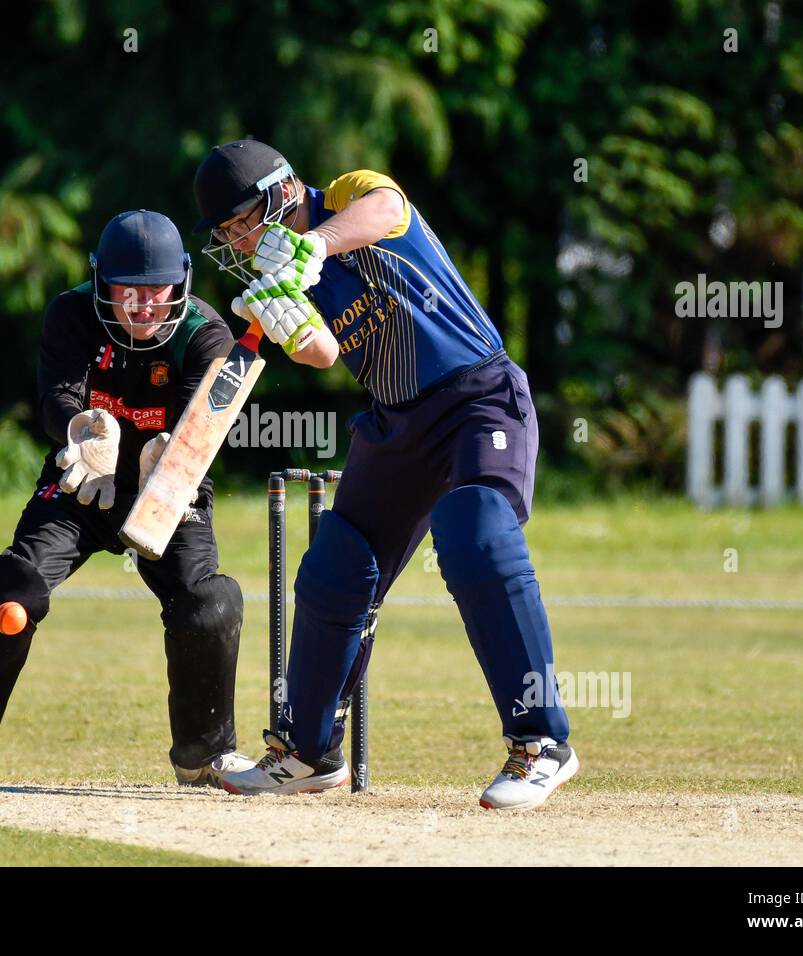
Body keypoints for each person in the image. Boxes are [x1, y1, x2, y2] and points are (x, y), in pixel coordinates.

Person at [192, 139, 578, 809]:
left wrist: (315, 248)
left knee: (476, 532)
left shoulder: (345, 196)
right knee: (336, 566)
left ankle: (541, 744)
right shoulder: (287, 271)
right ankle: (309, 754)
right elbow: (322, 352)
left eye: (242, 222)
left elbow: (388, 206)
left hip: (475, 394)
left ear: (282, 193)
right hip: (396, 424)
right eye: (227, 234)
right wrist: (283, 316)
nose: (239, 240)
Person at [0, 209, 253, 788]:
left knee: (208, 603)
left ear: (183, 280)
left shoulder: (209, 335)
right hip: (81, 482)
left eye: (158, 289)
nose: (145, 306)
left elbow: (204, 426)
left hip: (166, 487)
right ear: (101, 281)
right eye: (129, 290)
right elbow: (56, 399)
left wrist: (168, 461)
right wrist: (82, 429)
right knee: (8, 586)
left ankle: (205, 756)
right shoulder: (71, 314)